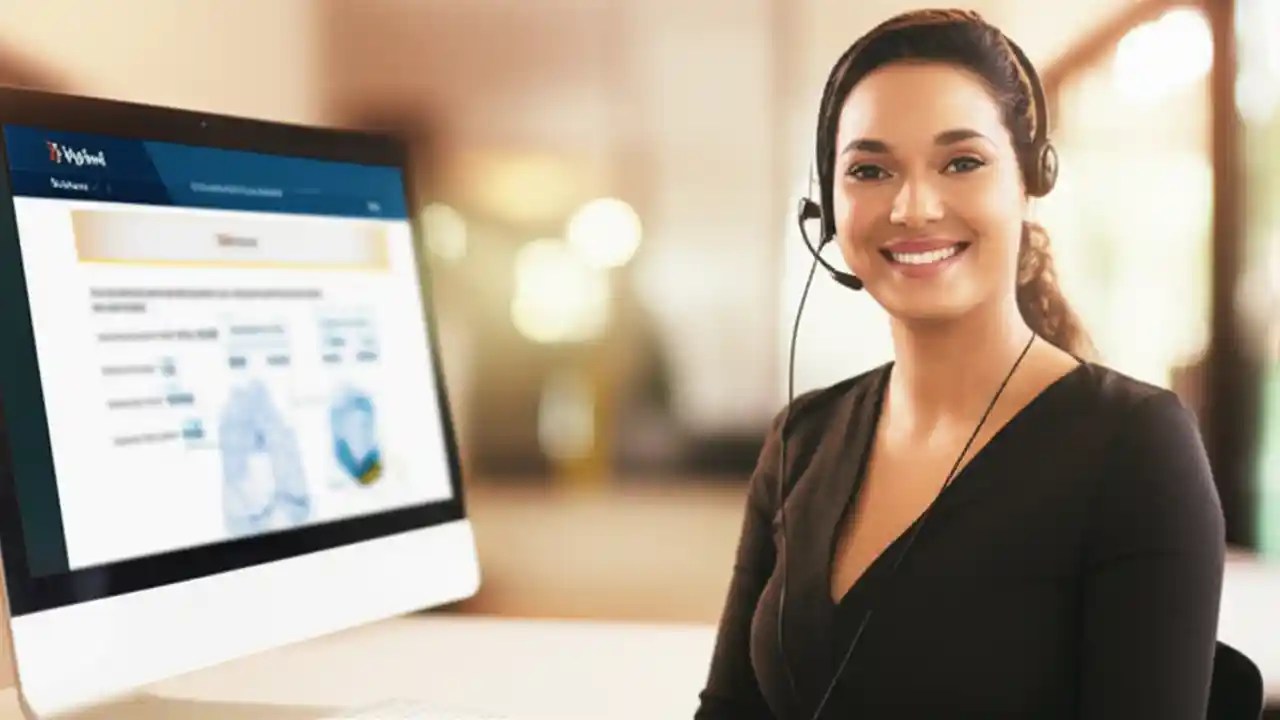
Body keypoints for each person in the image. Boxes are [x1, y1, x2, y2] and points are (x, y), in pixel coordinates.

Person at [694, 9, 1226, 719]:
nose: (913, 206)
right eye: (870, 169)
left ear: (1030, 181)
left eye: (962, 162)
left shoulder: (1132, 445)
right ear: (828, 207)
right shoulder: (802, 439)